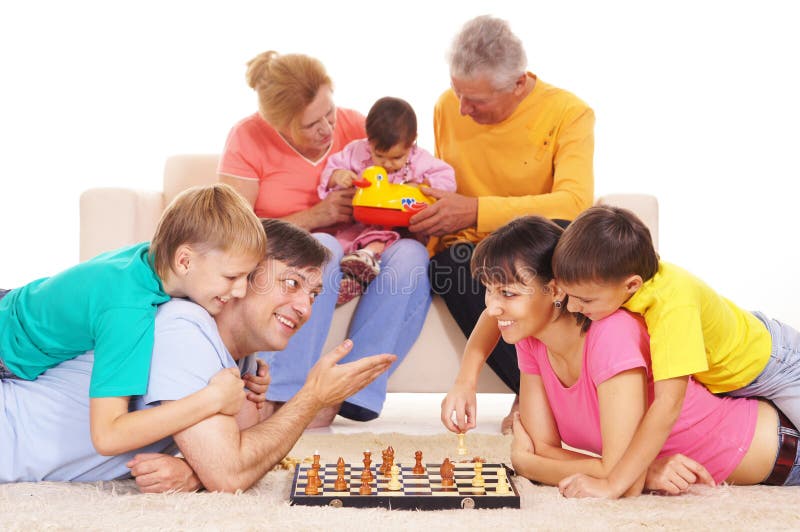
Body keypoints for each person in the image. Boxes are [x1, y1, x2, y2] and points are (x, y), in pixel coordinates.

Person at [0, 219, 396, 490]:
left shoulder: (233, 353)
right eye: (290, 283)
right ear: (241, 278)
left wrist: (193, 472)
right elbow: (229, 472)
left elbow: (235, 450)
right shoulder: (183, 325)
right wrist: (311, 398)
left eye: (312, 294)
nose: (304, 308)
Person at [443, 215, 799, 496]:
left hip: (784, 446)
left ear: (554, 290)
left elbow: (609, 474)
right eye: (489, 291)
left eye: (506, 292)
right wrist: (466, 380)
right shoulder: (531, 338)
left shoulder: (613, 331)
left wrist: (526, 462)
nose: (492, 306)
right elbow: (547, 448)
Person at [219, 51, 431, 423]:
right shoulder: (247, 137)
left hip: (363, 244)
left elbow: (406, 164)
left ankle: (350, 391)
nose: (328, 130)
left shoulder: (355, 126)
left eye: (329, 114)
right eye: (311, 125)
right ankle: (281, 395)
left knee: (412, 255)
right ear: (278, 124)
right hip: (296, 249)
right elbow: (231, 226)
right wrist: (316, 216)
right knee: (326, 248)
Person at [414, 15, 595, 431]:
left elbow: (573, 202)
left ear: (517, 84)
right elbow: (446, 181)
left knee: (539, 264)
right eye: (458, 94)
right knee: (451, 265)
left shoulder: (569, 113)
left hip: (538, 242)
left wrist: (477, 210)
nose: (461, 109)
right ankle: (537, 394)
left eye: (475, 101)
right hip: (475, 248)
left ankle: (543, 398)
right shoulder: (448, 105)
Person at [549, 205, 800, 497]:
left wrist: (613, 484)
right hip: (735, 362)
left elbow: (668, 406)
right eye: (568, 296)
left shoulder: (672, 307)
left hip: (778, 364)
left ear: (632, 284)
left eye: (584, 300)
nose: (571, 308)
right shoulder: (620, 279)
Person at [0, 183, 267, 456]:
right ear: (185, 261)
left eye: (247, 277)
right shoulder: (127, 312)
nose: (241, 291)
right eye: (232, 277)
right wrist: (213, 398)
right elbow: (108, 437)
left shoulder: (154, 260)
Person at [318, 96, 456, 304]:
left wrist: (424, 186)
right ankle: (352, 277)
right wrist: (337, 176)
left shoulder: (420, 159)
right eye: (380, 156)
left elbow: (447, 177)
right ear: (369, 141)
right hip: (362, 223)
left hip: (403, 228)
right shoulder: (356, 151)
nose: (388, 164)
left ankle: (365, 260)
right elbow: (331, 168)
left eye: (397, 158)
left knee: (385, 240)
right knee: (340, 245)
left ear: (412, 143)